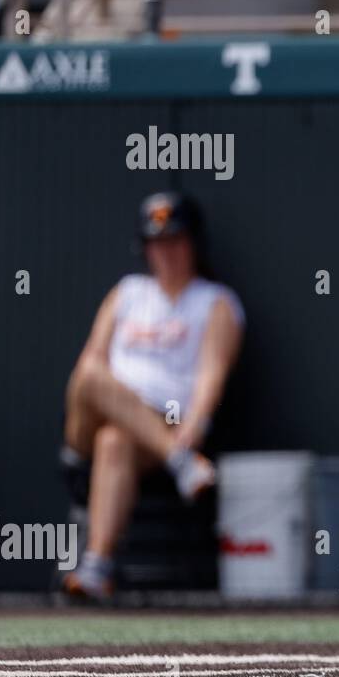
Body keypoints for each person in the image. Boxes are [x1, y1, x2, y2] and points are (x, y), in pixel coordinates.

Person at [61, 192, 244, 601]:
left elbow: (212, 374)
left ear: (194, 243)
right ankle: (182, 465)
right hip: (89, 421)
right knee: (90, 376)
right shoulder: (127, 292)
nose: (167, 253)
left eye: (176, 241)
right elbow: (92, 361)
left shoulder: (216, 302)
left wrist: (193, 428)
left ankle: (96, 567)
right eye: (157, 243)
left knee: (115, 439)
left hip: (166, 426)